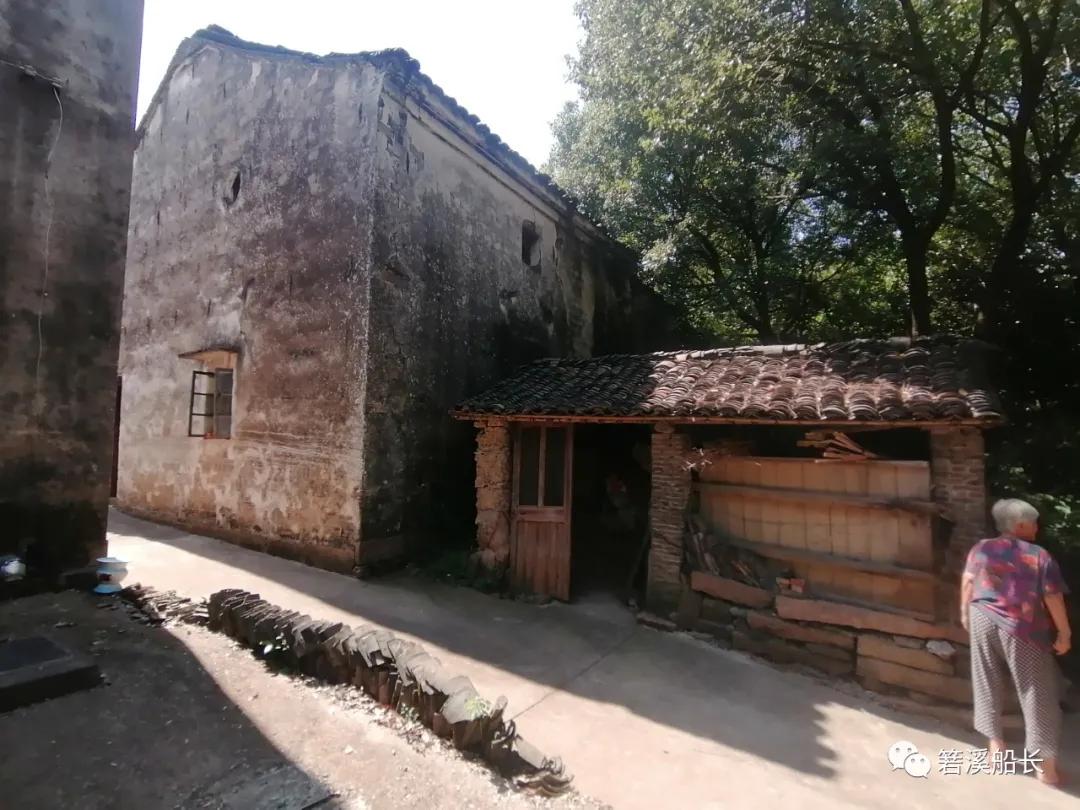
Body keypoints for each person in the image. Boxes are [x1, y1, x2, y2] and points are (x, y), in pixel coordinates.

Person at [961, 498, 1072, 785]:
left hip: (981, 617)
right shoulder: (1038, 555)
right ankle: (1044, 767)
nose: (1037, 527)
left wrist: (965, 615)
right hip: (1022, 628)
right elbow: (1052, 596)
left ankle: (995, 749)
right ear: (1020, 525)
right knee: (1037, 693)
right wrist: (1065, 633)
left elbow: (968, 582)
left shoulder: (981, 548)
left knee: (986, 681)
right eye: (1033, 522)